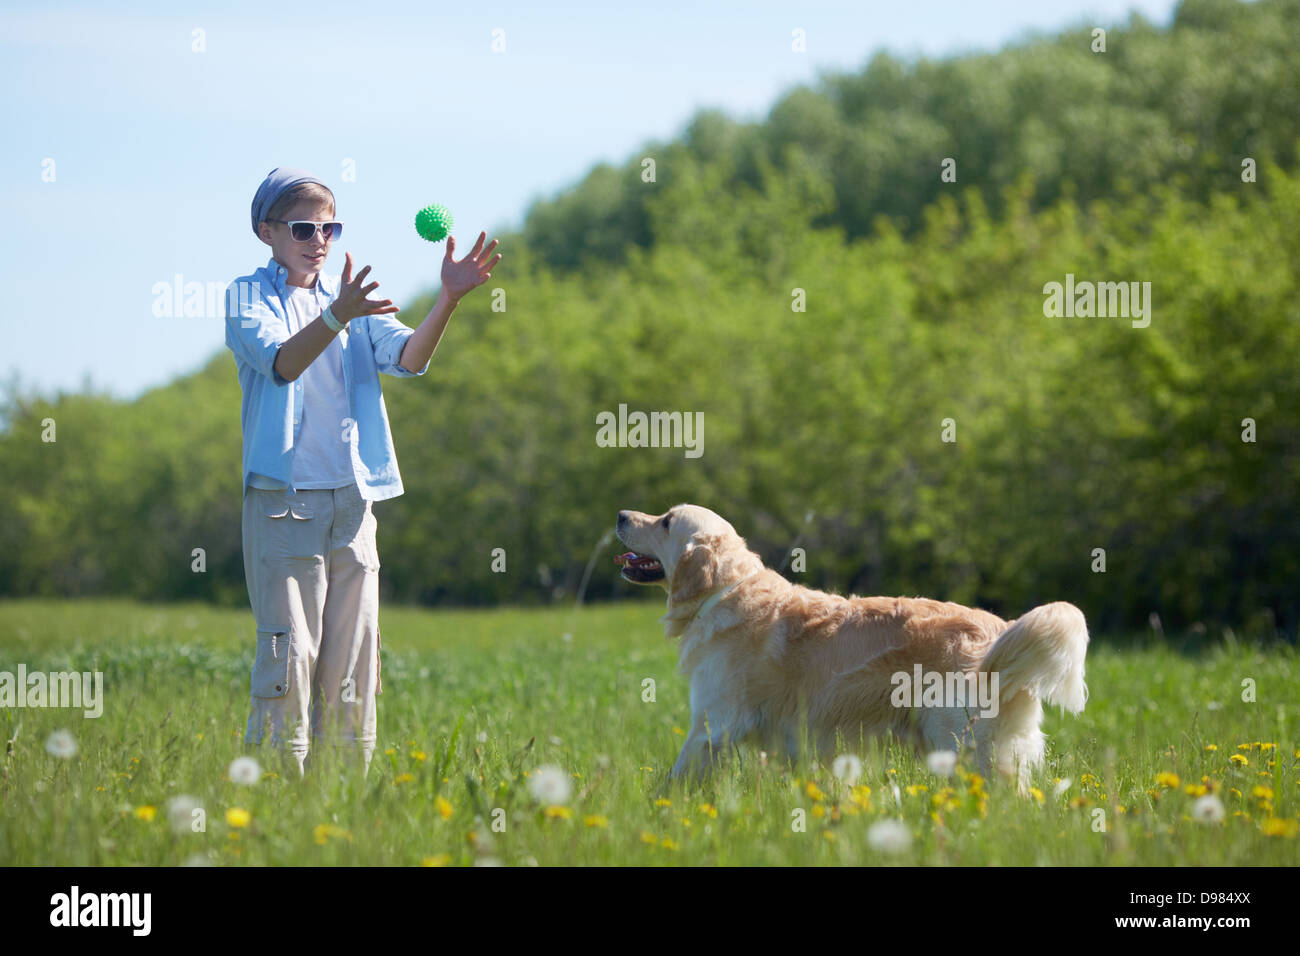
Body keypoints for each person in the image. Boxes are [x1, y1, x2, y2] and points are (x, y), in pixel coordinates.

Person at [224, 166, 500, 775]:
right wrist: (337, 317)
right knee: (290, 654)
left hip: (353, 507)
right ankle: (275, 798)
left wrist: (448, 298)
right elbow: (283, 364)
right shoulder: (248, 296)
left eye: (329, 227)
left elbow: (409, 358)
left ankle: (341, 806)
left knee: (352, 663)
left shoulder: (348, 296)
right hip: (282, 504)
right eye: (302, 227)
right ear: (266, 231)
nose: (318, 239)